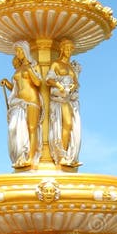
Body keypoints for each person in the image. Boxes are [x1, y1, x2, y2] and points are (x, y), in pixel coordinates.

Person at [0, 41, 43, 169]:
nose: (17, 54)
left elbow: (38, 83)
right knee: (16, 129)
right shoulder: (18, 69)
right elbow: (16, 88)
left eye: (19, 51)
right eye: (16, 52)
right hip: (19, 103)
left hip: (32, 100)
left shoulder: (33, 66)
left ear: (25, 51)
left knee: (32, 129)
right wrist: (7, 83)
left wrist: (30, 70)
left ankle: (31, 158)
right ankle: (21, 155)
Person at [45, 39, 81, 167]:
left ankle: (66, 154)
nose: (69, 51)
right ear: (62, 49)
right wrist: (59, 85)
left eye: (71, 49)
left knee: (70, 125)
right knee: (65, 124)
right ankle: (60, 156)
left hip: (68, 98)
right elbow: (48, 79)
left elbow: (76, 82)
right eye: (67, 48)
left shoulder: (70, 67)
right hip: (59, 98)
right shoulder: (56, 64)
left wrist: (72, 87)